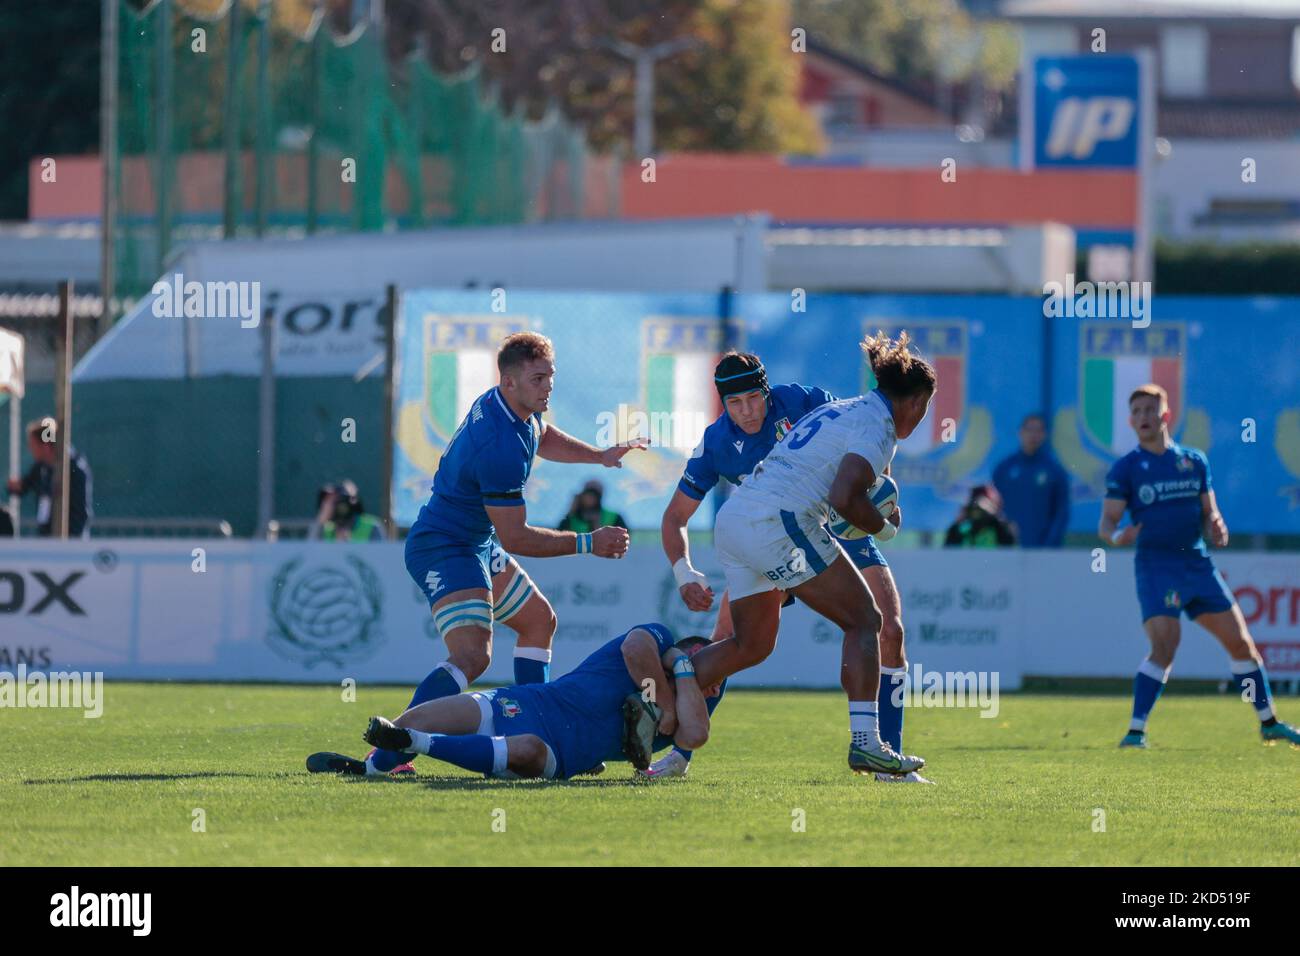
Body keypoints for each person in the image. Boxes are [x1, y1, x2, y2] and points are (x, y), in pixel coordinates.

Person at [365, 332, 646, 777]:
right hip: (445, 545)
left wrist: (600, 456)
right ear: (510, 381)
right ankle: (388, 753)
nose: (548, 387)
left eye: (550, 377)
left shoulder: (515, 408)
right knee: (473, 656)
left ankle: (546, 729)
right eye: (538, 378)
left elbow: (544, 434)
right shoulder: (499, 445)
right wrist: (590, 542)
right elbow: (516, 539)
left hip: (474, 542)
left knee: (539, 621)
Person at [657, 350, 926, 783]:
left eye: (753, 399)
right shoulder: (716, 443)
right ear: (722, 405)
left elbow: (866, 439)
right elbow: (674, 518)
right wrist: (684, 571)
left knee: (889, 629)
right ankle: (677, 753)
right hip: (777, 532)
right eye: (734, 403)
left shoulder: (802, 401)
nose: (746, 412)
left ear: (767, 390)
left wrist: (880, 491)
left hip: (837, 524)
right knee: (732, 639)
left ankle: (887, 762)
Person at [1099, 384, 1300, 749]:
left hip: (1197, 564)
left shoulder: (1194, 461)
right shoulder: (1127, 469)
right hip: (1157, 566)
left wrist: (1217, 529)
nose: (1143, 417)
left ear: (1166, 415)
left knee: (1241, 645)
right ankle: (1135, 731)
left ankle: (1269, 722)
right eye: (1137, 411)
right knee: (1165, 647)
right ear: (1131, 421)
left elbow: (1211, 514)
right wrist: (1118, 537)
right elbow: (1107, 525)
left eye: (1150, 409)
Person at [307, 623, 722, 780]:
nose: (712, 690)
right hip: (525, 701)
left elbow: (693, 732)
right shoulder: (658, 639)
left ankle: (411, 744)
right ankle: (373, 769)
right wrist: (674, 676)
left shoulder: (696, 693)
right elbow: (635, 648)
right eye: (706, 676)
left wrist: (686, 675)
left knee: (525, 749)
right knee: (425, 714)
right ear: (683, 651)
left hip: (556, 752)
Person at [992, 413, 1070, 548]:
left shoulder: (1055, 471)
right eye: (1029, 430)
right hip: (1007, 548)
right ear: (1020, 432)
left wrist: (1050, 544)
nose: (1033, 435)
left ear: (1044, 435)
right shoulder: (1004, 469)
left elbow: (1061, 512)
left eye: (1038, 431)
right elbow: (994, 508)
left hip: (1043, 548)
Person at [6, 417, 92, 538]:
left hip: (70, 542)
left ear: (45, 446)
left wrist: (69, 542)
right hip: (46, 537)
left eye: (33, 445)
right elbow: (23, 487)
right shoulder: (41, 467)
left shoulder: (75, 470)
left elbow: (80, 513)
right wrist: (14, 486)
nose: (31, 449)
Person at [309, 480, 387, 541]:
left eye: (343, 501)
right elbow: (310, 551)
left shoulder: (371, 526)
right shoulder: (327, 529)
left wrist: (349, 546)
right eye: (335, 502)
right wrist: (322, 518)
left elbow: (381, 557)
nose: (340, 506)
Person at [943, 484, 1016, 548]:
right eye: (974, 509)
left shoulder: (1000, 527)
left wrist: (993, 516)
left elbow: (1009, 546)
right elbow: (949, 550)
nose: (977, 511)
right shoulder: (961, 528)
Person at [556, 479, 627, 533]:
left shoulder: (613, 517)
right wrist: (571, 512)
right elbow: (559, 535)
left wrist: (596, 525)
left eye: (594, 495)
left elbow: (625, 536)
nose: (590, 498)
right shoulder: (573, 517)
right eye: (588, 493)